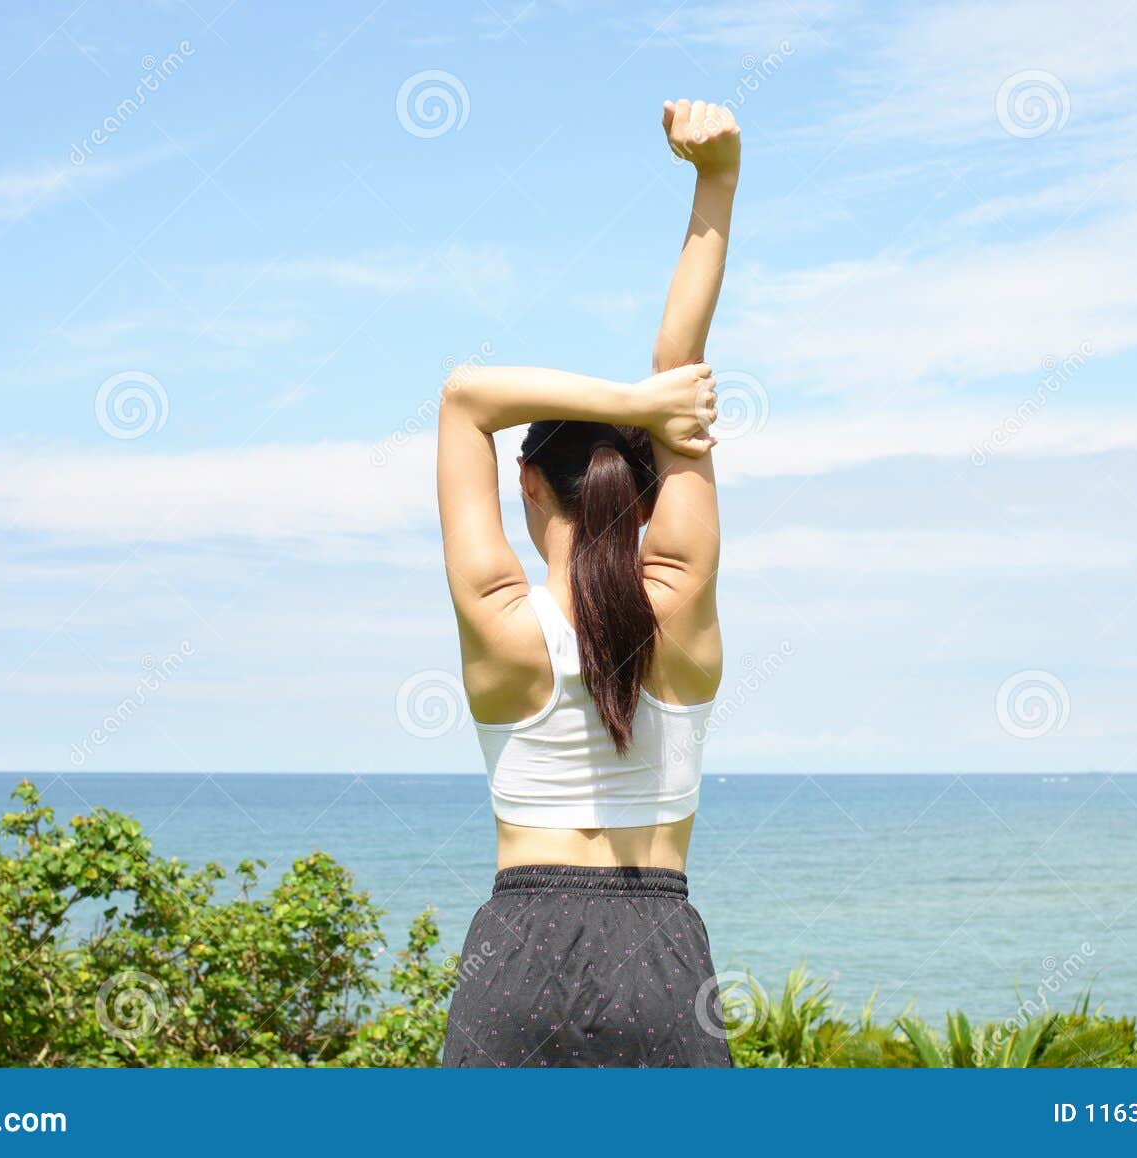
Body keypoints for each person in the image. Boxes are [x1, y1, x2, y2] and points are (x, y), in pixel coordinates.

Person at [436, 100, 741, 1067]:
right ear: (649, 496)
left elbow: (463, 400)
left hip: (514, 963)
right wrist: (717, 176)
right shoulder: (679, 602)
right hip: (659, 956)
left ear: (528, 484)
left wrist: (627, 404)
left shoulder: (503, 624)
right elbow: (679, 368)